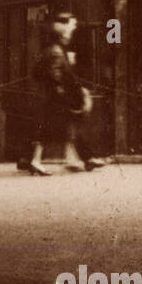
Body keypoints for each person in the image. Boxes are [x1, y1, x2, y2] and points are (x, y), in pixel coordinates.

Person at [26, 12, 105, 175]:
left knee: (67, 128)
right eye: (71, 27)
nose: (73, 31)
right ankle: (34, 161)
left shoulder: (55, 49)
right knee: (53, 129)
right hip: (56, 99)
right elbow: (57, 75)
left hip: (52, 97)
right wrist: (68, 93)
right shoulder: (57, 51)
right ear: (63, 32)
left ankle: (83, 159)